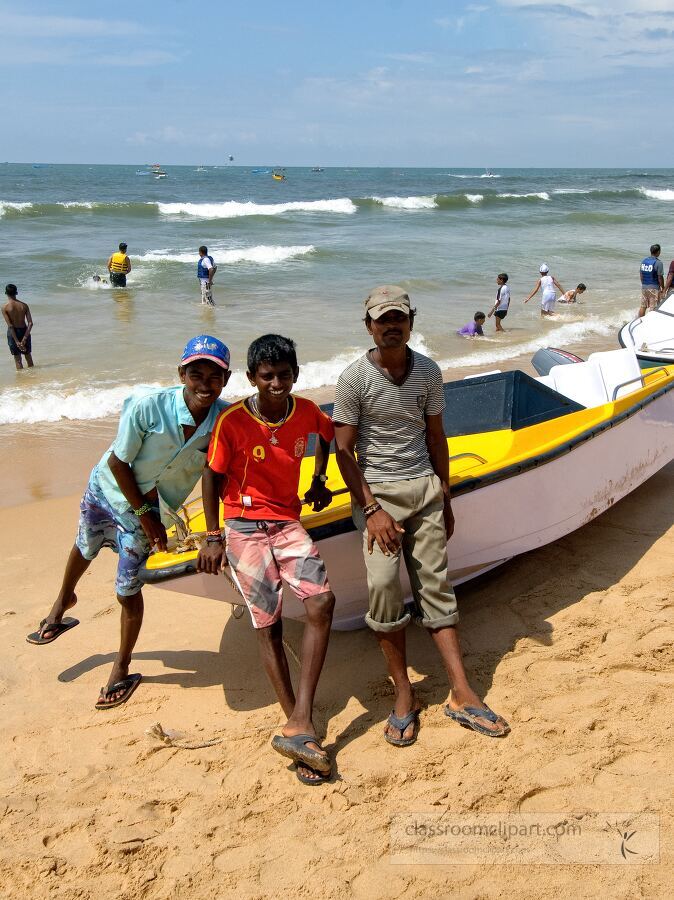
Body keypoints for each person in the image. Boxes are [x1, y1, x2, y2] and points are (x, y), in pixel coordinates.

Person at [332, 285, 510, 748]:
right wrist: (371, 510)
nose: (391, 325)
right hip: (379, 500)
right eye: (382, 319)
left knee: (436, 585)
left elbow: (437, 437)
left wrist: (446, 499)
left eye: (399, 317)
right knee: (385, 589)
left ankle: (461, 692)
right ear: (368, 325)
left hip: (426, 491)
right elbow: (344, 450)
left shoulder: (428, 370)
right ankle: (405, 693)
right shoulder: (353, 378)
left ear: (411, 320)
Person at [26, 335, 231, 710]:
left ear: (227, 379)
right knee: (85, 544)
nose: (204, 383)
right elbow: (119, 463)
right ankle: (62, 603)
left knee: (127, 590)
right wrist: (145, 517)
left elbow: (220, 473)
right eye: (195, 373)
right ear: (181, 373)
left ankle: (121, 666)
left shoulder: (224, 420)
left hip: (154, 511)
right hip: (109, 489)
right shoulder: (148, 406)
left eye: (214, 376)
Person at [197, 334, 336, 785]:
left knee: (321, 602)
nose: (277, 383)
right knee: (269, 621)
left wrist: (318, 480)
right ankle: (298, 728)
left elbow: (328, 439)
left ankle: (300, 719)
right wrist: (212, 535)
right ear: (252, 378)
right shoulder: (234, 421)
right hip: (242, 525)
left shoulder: (308, 411)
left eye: (284, 374)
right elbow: (211, 475)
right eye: (267, 376)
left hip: (286, 521)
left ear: (296, 373)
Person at [3, 284, 34, 370]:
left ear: (6, 293)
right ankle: (33, 378)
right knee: (28, 357)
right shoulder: (24, 305)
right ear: (16, 292)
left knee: (18, 360)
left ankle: (22, 381)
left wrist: (17, 341)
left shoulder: (5, 307)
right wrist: (24, 339)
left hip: (13, 335)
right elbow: (30, 323)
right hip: (24, 332)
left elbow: (10, 326)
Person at [638, 244, 664, 317]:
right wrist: (662, 288)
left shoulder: (644, 261)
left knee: (643, 306)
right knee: (653, 308)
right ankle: (649, 324)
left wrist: (643, 284)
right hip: (654, 288)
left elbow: (641, 274)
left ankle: (639, 321)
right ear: (658, 252)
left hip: (644, 286)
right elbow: (660, 277)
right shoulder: (658, 263)